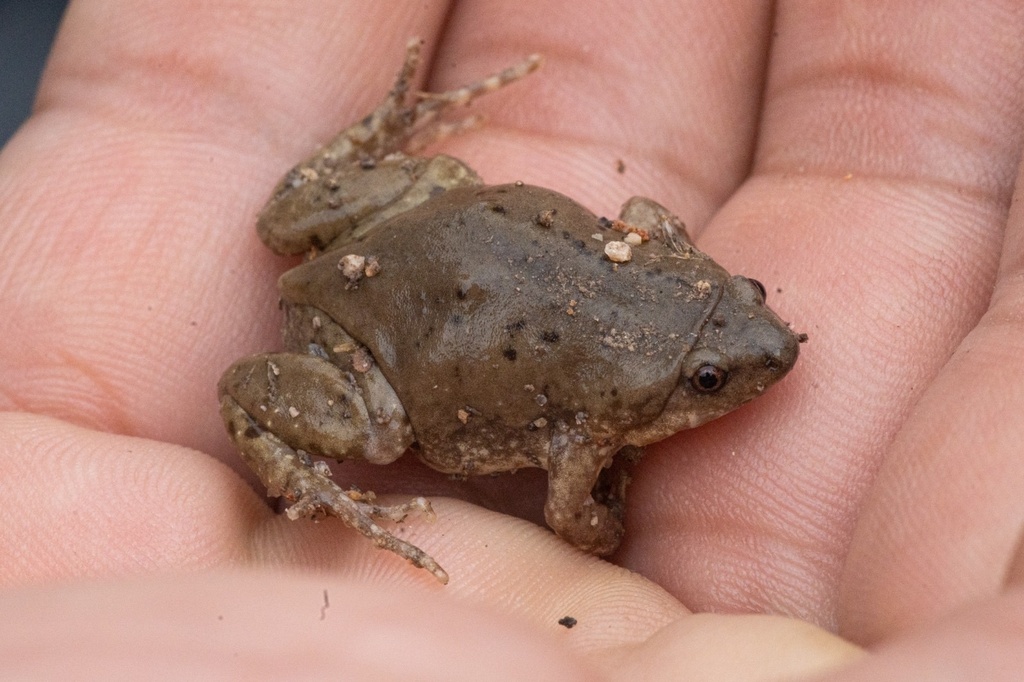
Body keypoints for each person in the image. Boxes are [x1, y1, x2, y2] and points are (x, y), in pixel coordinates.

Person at [1, 2, 1022, 678]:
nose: (763, 352)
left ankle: (382, 152)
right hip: (369, 352)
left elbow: (644, 208)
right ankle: (313, 482)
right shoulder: (593, 419)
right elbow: (586, 531)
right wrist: (612, 479)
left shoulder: (654, 261)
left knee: (442, 181)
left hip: (422, 234)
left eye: (736, 312)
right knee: (378, 426)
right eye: (709, 379)